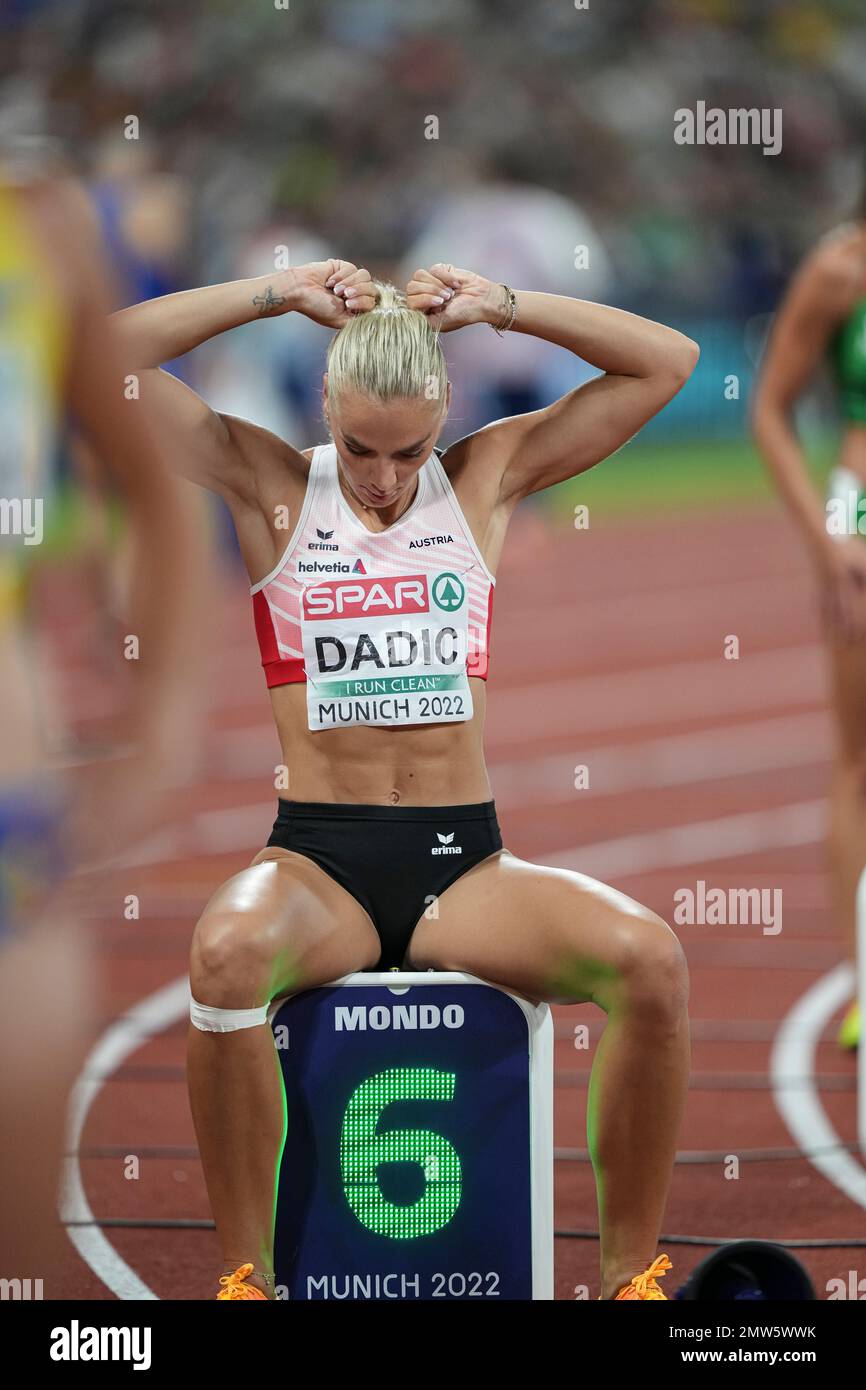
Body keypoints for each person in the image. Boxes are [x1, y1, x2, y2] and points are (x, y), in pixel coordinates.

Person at [113, 258, 699, 1301]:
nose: (383, 479)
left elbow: (667, 362)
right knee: (224, 954)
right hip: (318, 863)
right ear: (324, 405)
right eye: (359, 448)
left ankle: (626, 1275)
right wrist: (268, 292)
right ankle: (247, 1279)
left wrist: (506, 307)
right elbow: (99, 358)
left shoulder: (481, 477)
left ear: (445, 417)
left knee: (648, 962)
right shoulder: (269, 485)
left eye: (409, 449)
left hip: (461, 868)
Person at [0, 160, 205, 1281]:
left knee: (22, 1265)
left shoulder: (32, 223)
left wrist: (163, 723)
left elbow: (155, 480)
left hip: (8, 813)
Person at [752, 199, 866, 1051]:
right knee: (861, 763)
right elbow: (770, 410)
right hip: (862, 516)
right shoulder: (840, 271)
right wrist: (826, 535)